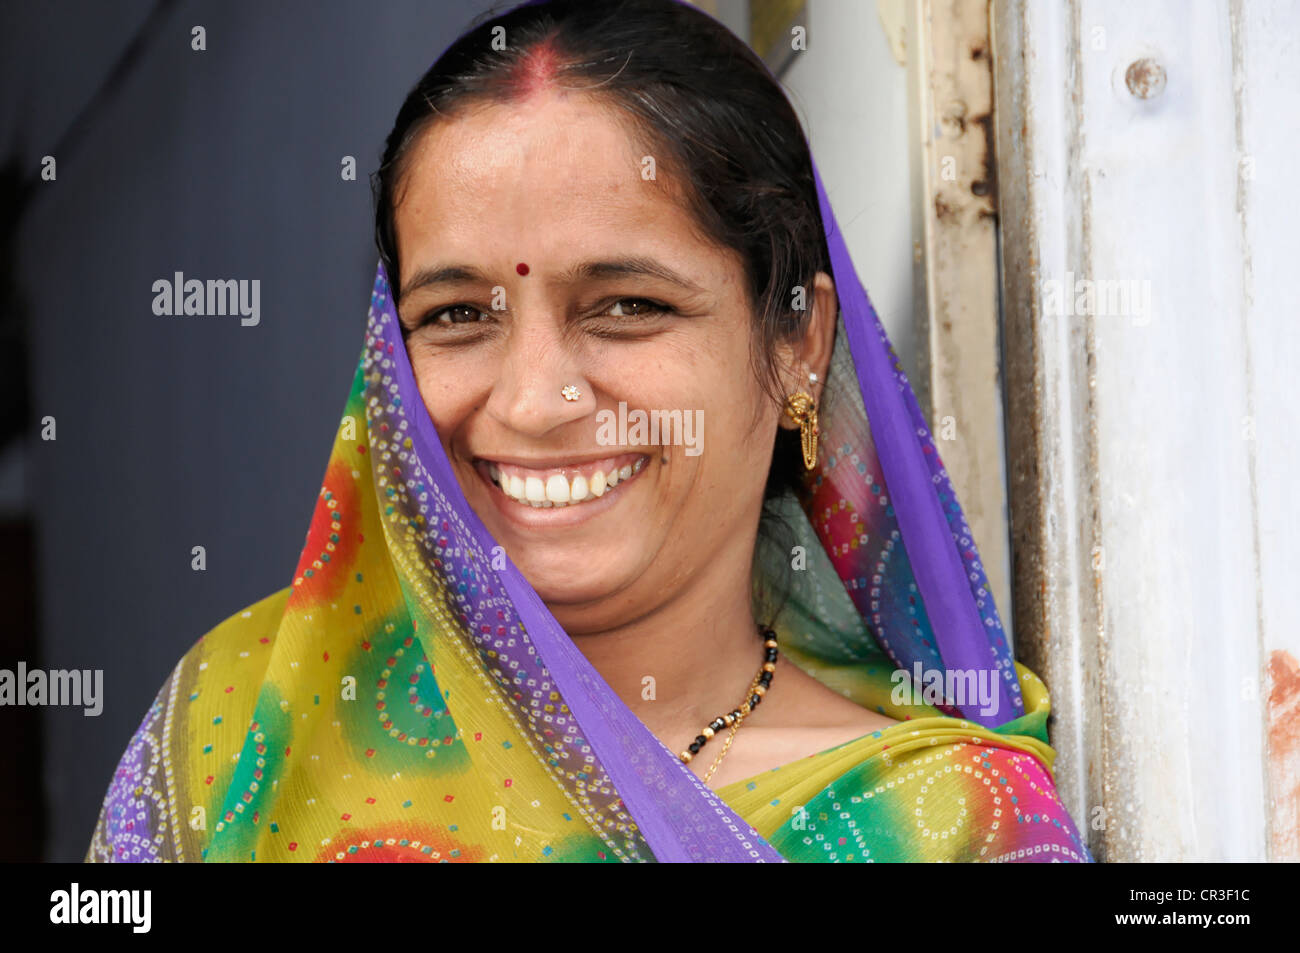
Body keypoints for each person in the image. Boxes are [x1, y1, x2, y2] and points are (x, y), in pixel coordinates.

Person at [87, 0, 1091, 863]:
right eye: (457, 314)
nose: (532, 402)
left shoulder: (945, 822)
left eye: (624, 305)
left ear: (797, 341)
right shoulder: (239, 722)